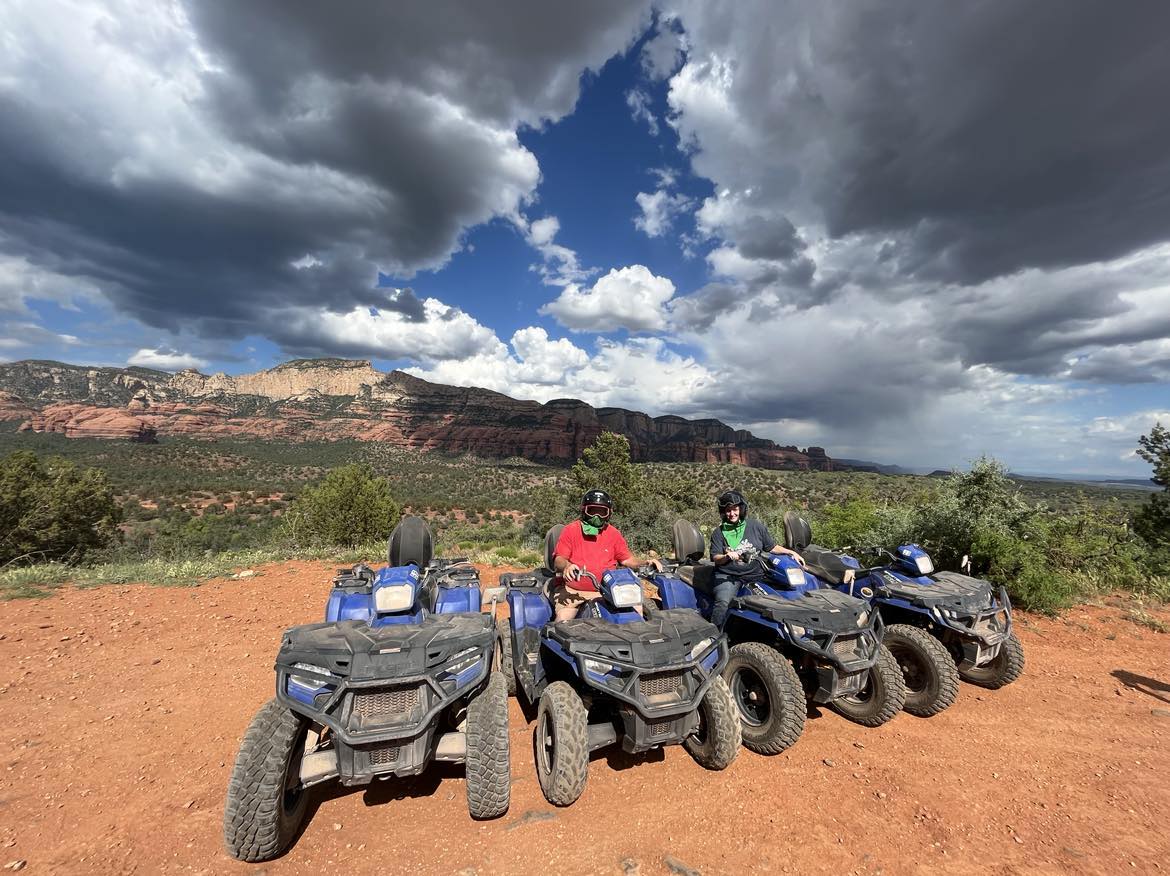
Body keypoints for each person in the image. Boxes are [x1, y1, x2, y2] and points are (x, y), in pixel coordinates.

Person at [708, 489, 806, 627]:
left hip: (756, 574)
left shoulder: (755, 526)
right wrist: (726, 556)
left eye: (735, 509)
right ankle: (714, 636)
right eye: (728, 510)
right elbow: (716, 558)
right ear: (723, 512)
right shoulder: (718, 533)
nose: (732, 514)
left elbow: (771, 547)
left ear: (741, 509)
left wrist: (791, 552)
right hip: (729, 576)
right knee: (723, 602)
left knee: (783, 594)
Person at [551, 489, 645, 622]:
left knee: (637, 612)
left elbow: (627, 559)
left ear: (608, 514)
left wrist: (646, 563)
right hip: (574, 592)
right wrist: (567, 566)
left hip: (610, 591)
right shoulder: (570, 530)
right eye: (592, 511)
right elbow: (559, 559)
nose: (596, 516)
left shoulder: (613, 533)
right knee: (564, 618)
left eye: (602, 512)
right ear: (584, 510)